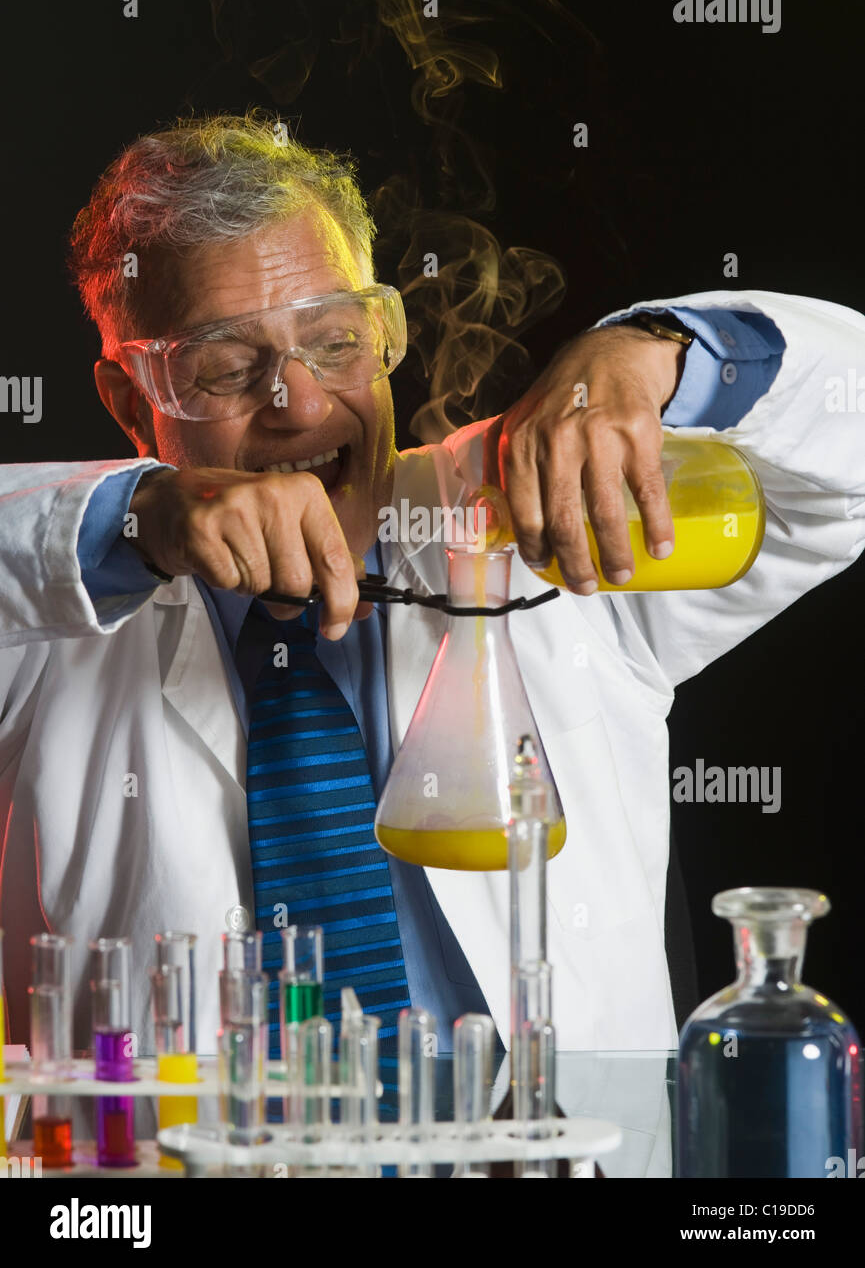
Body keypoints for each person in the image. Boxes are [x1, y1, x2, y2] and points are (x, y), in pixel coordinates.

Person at [1, 112, 862, 1062]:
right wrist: (139, 517)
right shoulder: (56, 618)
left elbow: (843, 462)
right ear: (131, 403)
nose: (298, 404)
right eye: (224, 367)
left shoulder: (524, 516)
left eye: (333, 343)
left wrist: (650, 354)